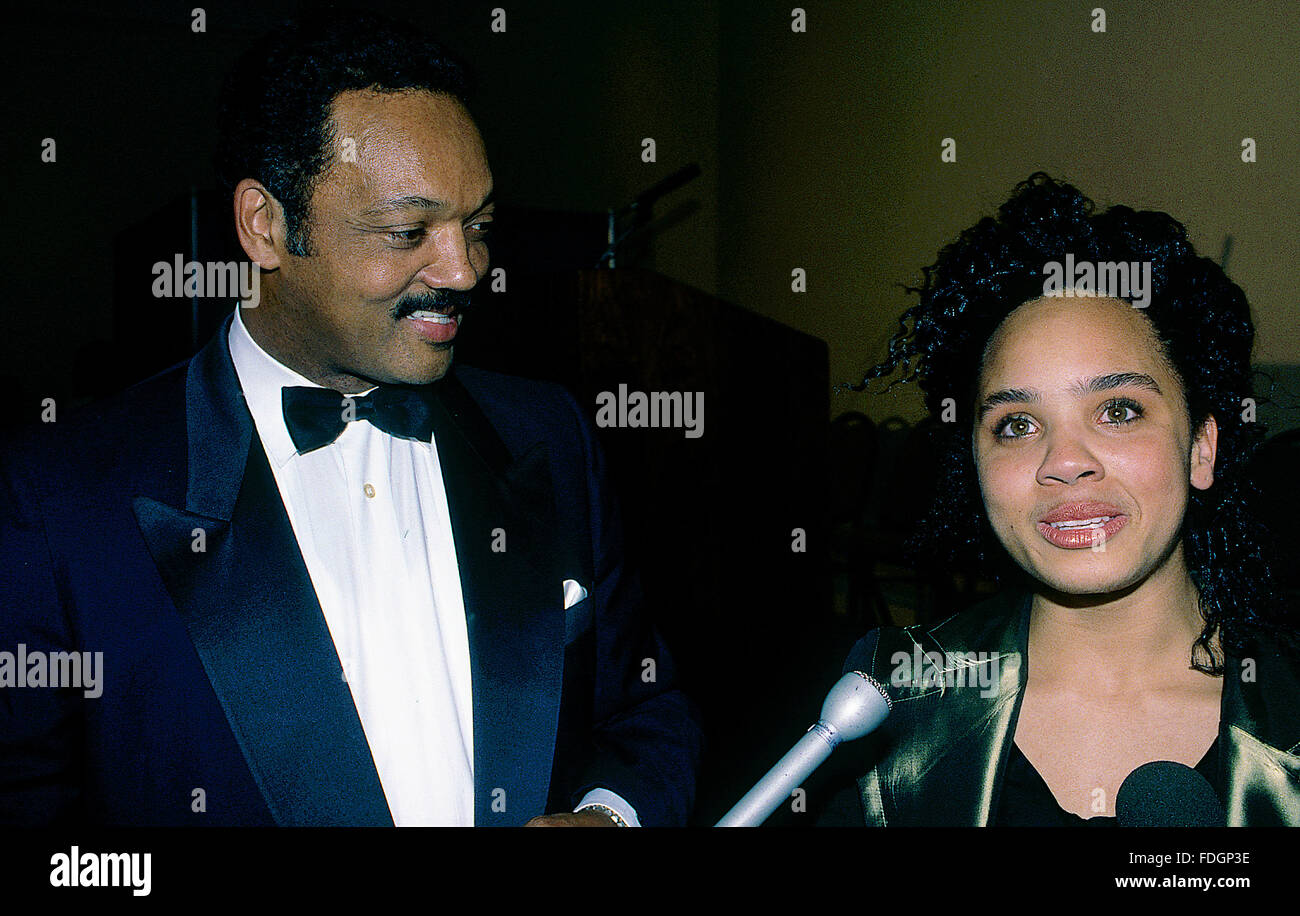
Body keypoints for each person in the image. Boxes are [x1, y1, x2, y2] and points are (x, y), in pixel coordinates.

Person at [0, 11, 699, 827]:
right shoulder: (59, 501)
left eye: (478, 226)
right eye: (408, 231)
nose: (464, 269)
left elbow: (649, 713)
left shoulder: (546, 434)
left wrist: (612, 816)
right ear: (264, 225)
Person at [833, 173, 1300, 826]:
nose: (1063, 462)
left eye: (1118, 409)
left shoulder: (1290, 720)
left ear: (1201, 448)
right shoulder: (896, 701)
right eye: (1016, 425)